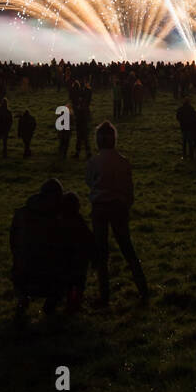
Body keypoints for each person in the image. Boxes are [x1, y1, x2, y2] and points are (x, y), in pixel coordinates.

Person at [85, 121, 149, 305]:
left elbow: (89, 182)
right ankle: (142, 288)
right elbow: (129, 187)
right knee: (127, 247)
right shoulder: (123, 162)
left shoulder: (94, 162)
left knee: (101, 251)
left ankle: (104, 295)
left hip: (100, 207)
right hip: (119, 207)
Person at [10, 179, 66, 316]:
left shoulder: (21, 214)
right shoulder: (59, 219)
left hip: (23, 271)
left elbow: (13, 241)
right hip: (49, 273)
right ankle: (53, 300)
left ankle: (23, 297)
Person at [60, 191, 96, 313]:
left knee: (69, 282)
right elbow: (89, 239)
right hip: (79, 261)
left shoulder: (60, 222)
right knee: (79, 281)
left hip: (65, 261)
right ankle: (75, 302)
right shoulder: (79, 221)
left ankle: (70, 301)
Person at [176, 96, 196, 160]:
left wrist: (182, 121)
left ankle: (184, 155)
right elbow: (194, 117)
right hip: (190, 127)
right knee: (190, 142)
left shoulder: (180, 109)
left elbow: (178, 117)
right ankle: (191, 156)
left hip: (183, 127)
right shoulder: (191, 108)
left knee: (184, 142)